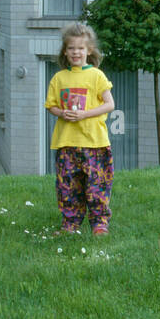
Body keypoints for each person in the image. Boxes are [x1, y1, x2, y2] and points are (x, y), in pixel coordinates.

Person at [45, 23, 115, 235]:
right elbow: (52, 106)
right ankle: (70, 224)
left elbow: (110, 104)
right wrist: (61, 113)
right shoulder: (59, 78)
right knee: (68, 186)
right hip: (67, 143)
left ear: (89, 50)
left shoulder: (96, 75)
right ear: (65, 51)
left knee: (96, 185)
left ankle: (99, 223)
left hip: (94, 143)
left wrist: (85, 114)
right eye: (71, 48)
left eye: (80, 48)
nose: (76, 52)